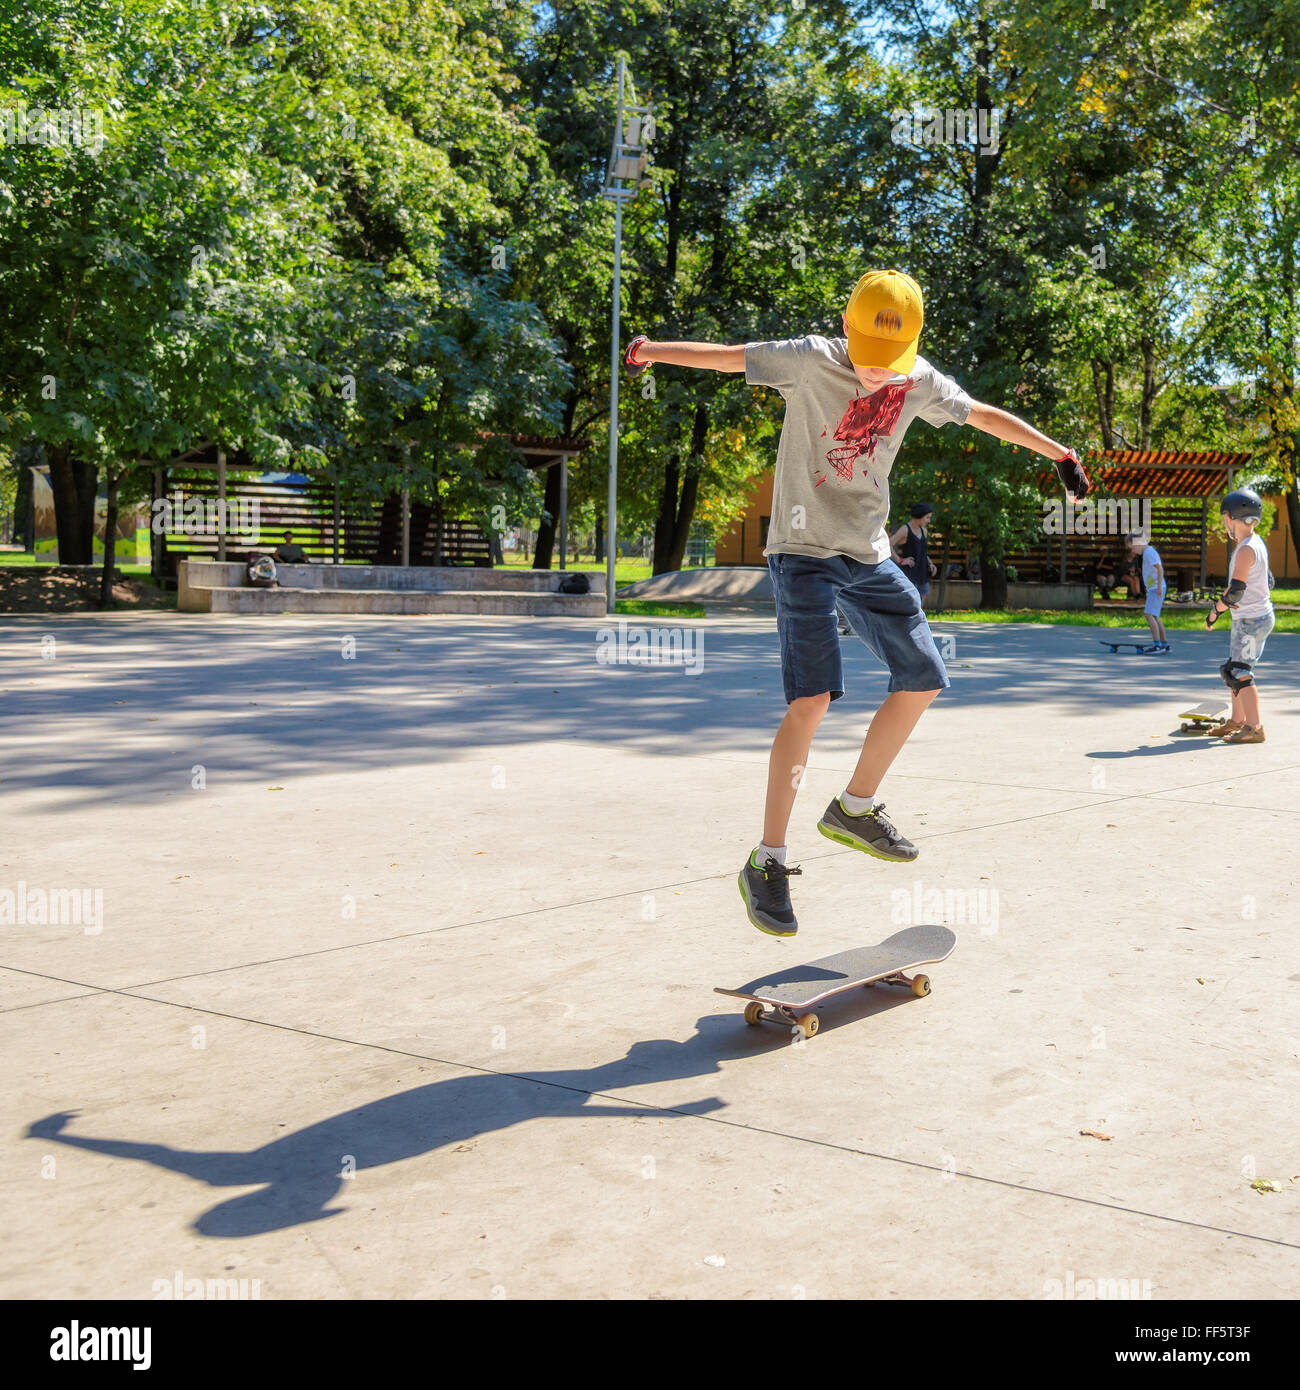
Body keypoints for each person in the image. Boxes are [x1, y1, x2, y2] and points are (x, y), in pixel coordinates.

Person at [623, 267, 1089, 935]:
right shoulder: (809, 359)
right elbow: (730, 358)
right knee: (811, 701)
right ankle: (769, 862)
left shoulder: (919, 379)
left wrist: (1058, 452)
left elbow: (981, 414)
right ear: (846, 328)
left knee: (925, 676)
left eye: (888, 365)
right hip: (803, 555)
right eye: (868, 360)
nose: (877, 376)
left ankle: (855, 807)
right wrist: (654, 350)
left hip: (869, 555)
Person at [1205, 489, 1274, 744]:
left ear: (1234, 518)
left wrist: (1214, 612)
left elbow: (1235, 592)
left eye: (1226, 518)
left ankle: (1255, 727)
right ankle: (1237, 721)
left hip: (1251, 620)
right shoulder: (1255, 543)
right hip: (1251, 617)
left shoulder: (1246, 550)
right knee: (1233, 670)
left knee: (1241, 672)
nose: (1226, 524)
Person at [1128, 532, 1168, 648]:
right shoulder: (1148, 552)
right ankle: (1163, 643)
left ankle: (1156, 644)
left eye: (1132, 548)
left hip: (1156, 588)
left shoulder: (1149, 553)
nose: (1133, 551)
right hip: (1155, 587)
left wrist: (1159, 586)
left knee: (1148, 614)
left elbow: (1160, 569)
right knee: (1154, 615)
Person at [890, 503, 937, 599]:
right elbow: (887, 544)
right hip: (910, 573)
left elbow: (923, 551)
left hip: (922, 572)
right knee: (911, 601)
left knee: (921, 602)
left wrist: (930, 563)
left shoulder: (924, 531)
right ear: (920, 516)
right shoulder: (905, 530)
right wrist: (900, 560)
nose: (929, 520)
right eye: (927, 517)